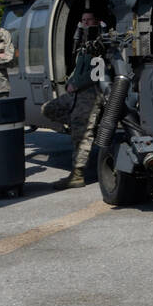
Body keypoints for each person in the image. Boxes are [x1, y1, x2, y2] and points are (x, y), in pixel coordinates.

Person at [41, 10, 105, 189]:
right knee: (48, 108)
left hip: (91, 93)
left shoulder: (100, 42)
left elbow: (98, 73)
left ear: (97, 21)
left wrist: (77, 83)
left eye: (89, 20)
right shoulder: (84, 43)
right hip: (76, 93)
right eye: (83, 20)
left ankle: (77, 175)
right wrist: (72, 81)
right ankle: (77, 124)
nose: (85, 23)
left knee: (82, 134)